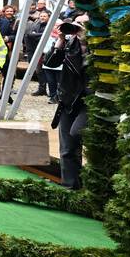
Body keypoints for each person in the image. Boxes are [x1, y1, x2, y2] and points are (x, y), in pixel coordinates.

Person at [44, 20, 88, 189]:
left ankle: (92, 181)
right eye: (76, 25)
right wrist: (60, 41)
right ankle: (70, 186)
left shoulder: (101, 45)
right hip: (68, 99)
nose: (77, 29)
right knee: (67, 147)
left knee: (76, 132)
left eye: (82, 26)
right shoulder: (70, 43)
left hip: (90, 100)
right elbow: (50, 63)